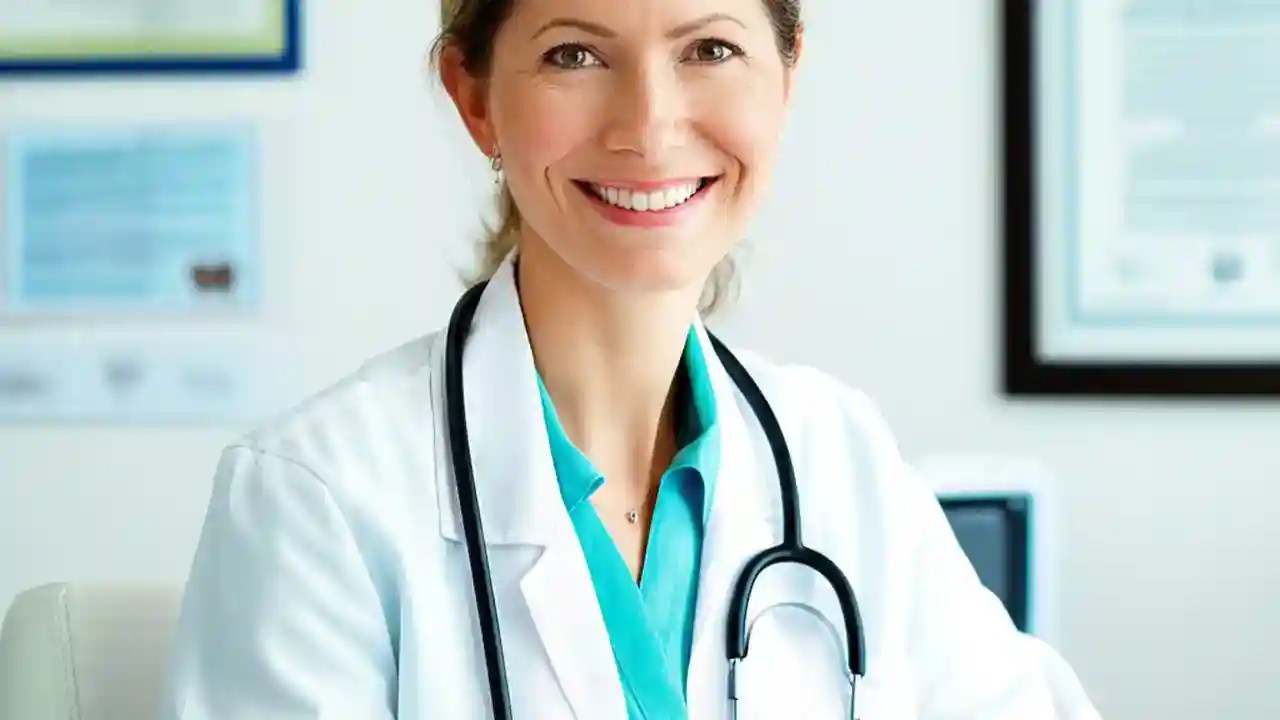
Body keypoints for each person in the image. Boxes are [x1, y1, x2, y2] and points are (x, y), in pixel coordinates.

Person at [162, 0, 1102, 717]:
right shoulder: (316, 493)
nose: (648, 127)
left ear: (785, 76)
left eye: (710, 50)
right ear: (476, 97)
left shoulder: (837, 451)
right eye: (575, 54)